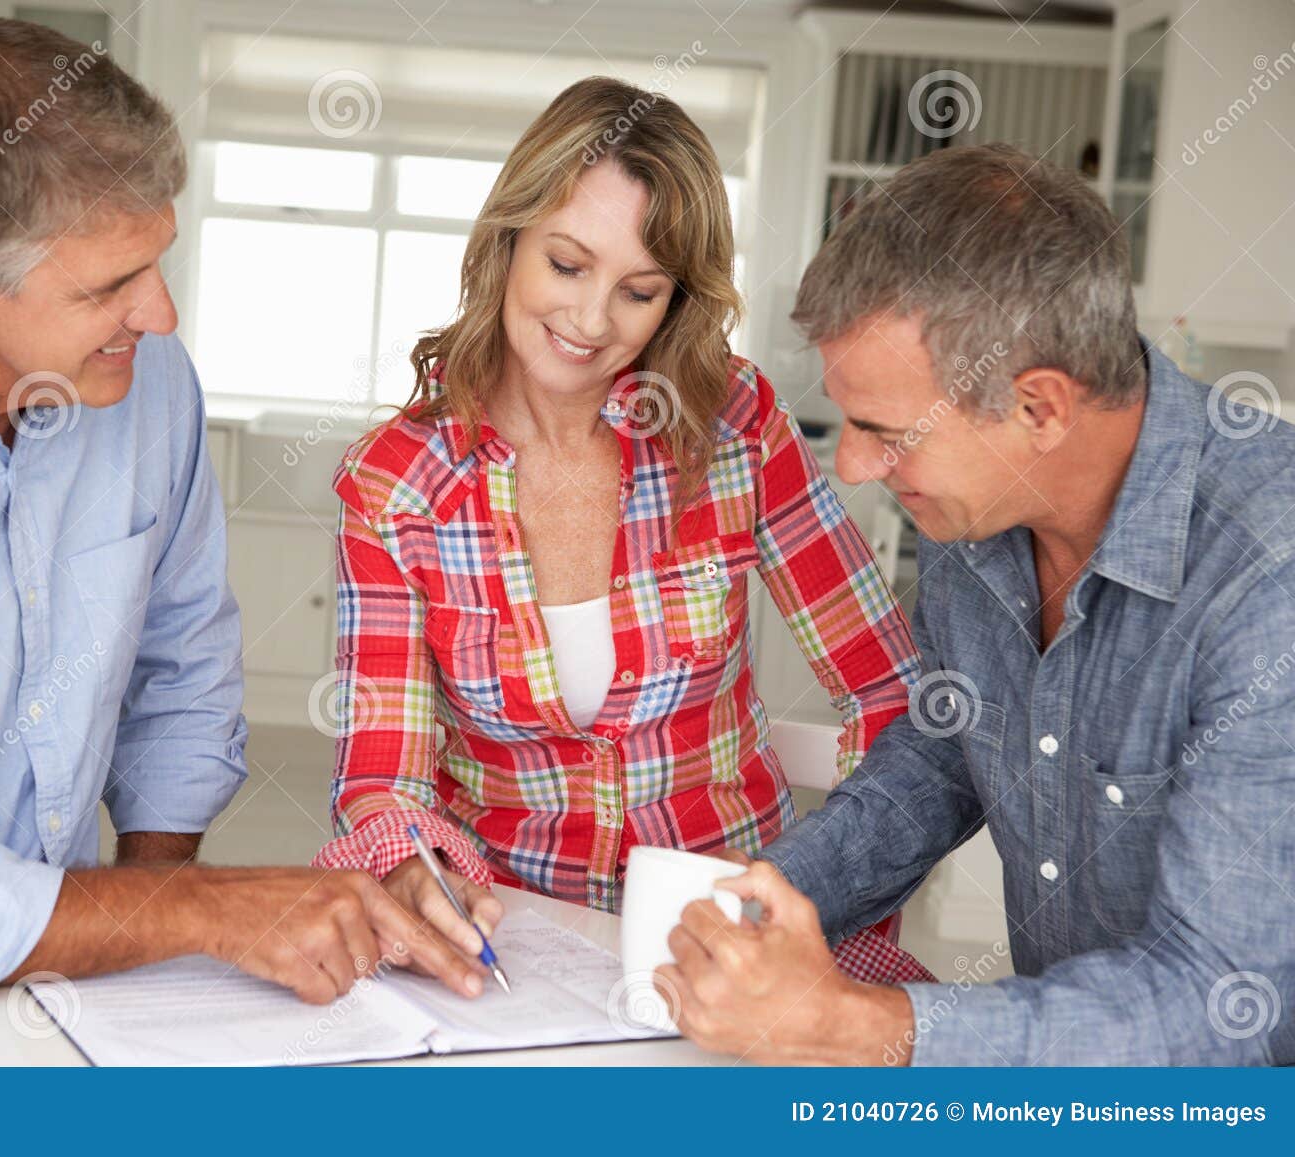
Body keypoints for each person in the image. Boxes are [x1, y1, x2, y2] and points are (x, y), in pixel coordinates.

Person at [0, 16, 481, 1006]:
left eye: (157, 259)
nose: (162, 316)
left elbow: (182, 667)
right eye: (111, 284)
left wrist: (152, 921)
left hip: (48, 986)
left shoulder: (147, 386)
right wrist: (198, 909)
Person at [658, 144, 1295, 1065]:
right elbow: (943, 756)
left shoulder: (1267, 579)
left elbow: (1220, 1004)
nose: (853, 468)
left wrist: (860, 1024)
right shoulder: (982, 517)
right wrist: (766, 892)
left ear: (1039, 408)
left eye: (885, 433)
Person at [314, 77, 931, 986]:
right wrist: (413, 867)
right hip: (517, 941)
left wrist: (822, 889)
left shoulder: (736, 423)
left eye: (639, 291)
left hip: (736, 930)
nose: (592, 321)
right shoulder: (397, 481)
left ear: (676, 302)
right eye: (566, 265)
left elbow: (887, 686)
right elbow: (385, 769)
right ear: (507, 240)